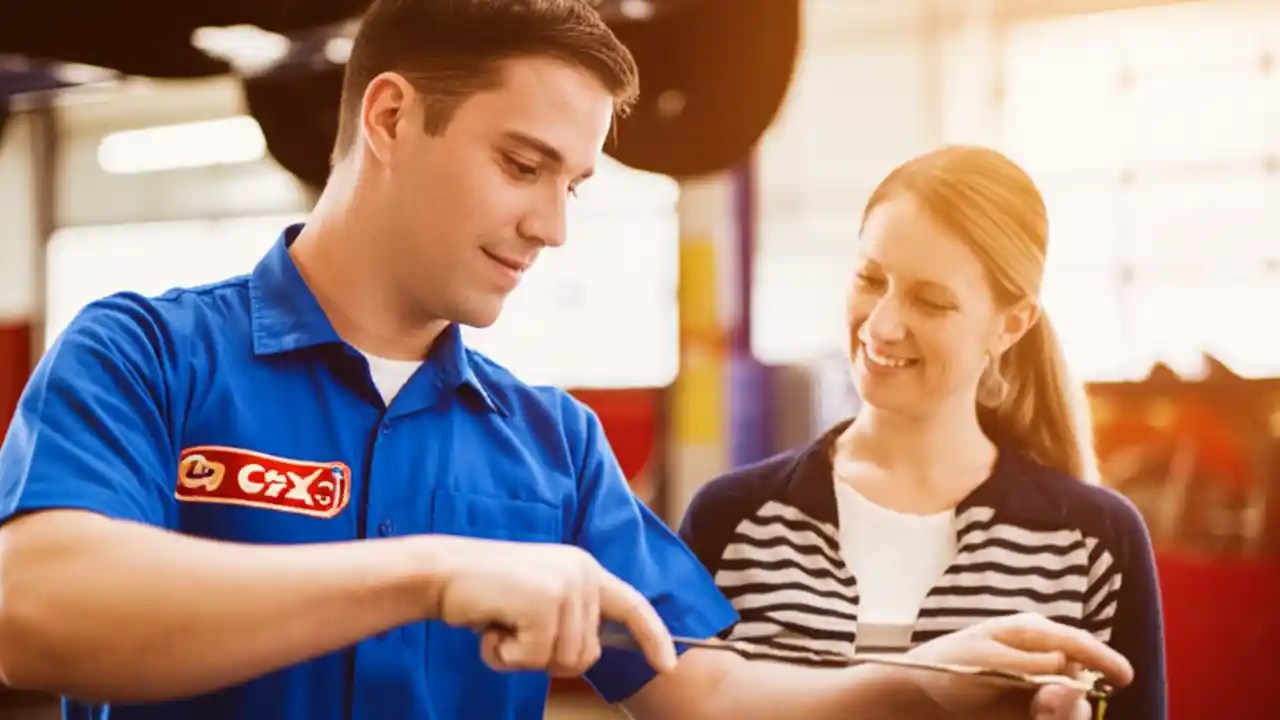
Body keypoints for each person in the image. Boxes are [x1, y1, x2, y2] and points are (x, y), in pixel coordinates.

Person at [0, 2, 1131, 718]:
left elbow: (701, 684)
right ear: (390, 118)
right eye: (522, 164)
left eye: (573, 185)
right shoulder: (144, 354)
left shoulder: (548, 445)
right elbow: (35, 607)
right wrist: (430, 574)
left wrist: (922, 684)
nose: (552, 225)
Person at [678, 145, 1166, 719]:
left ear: (1012, 324)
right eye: (869, 278)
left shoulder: (1095, 542)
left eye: (931, 302)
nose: (882, 325)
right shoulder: (734, 518)